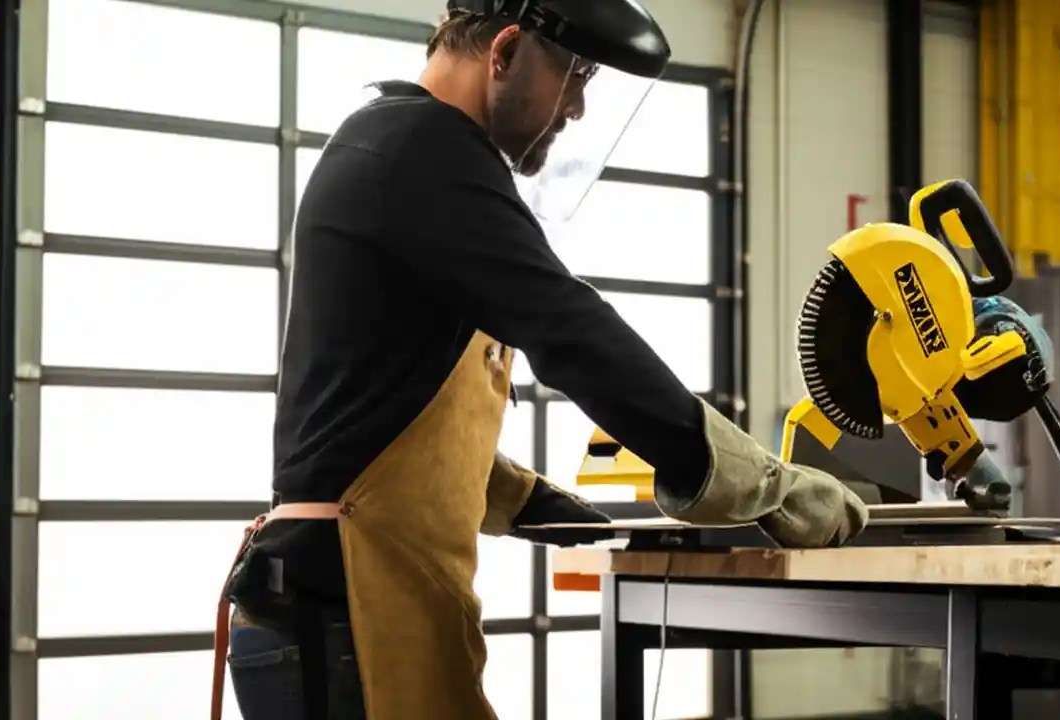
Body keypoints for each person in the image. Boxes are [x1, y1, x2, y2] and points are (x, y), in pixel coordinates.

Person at [209, 1, 869, 719]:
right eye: (575, 74)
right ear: (506, 52)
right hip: (340, 626)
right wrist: (763, 484)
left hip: (350, 616)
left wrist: (521, 498)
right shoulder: (422, 151)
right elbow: (572, 331)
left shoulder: (400, 149)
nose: (578, 108)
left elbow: (367, 404)